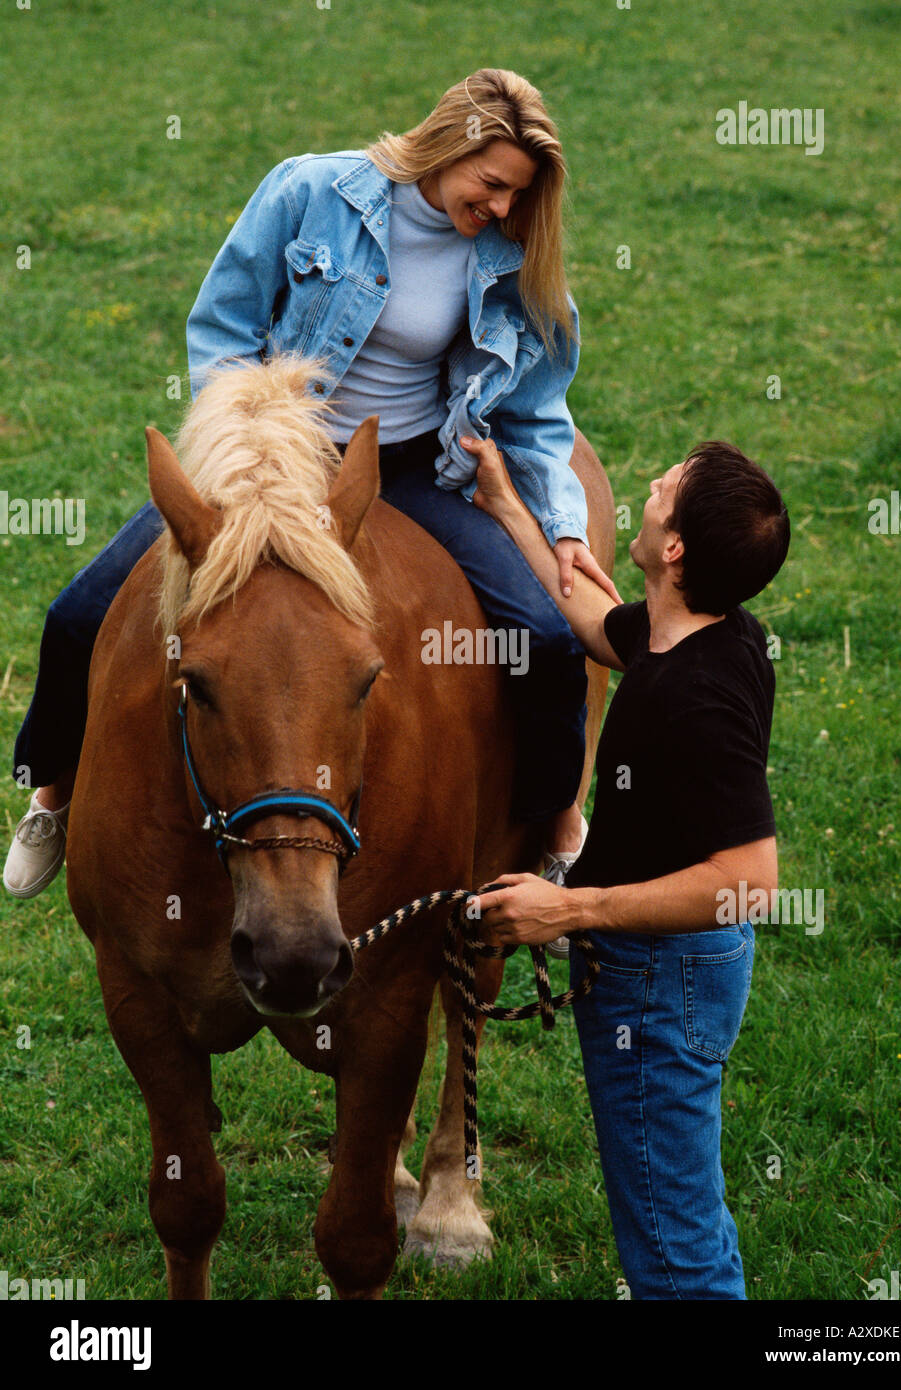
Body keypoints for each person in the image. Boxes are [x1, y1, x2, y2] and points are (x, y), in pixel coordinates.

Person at [4, 68, 620, 900]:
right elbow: (222, 326)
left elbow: (542, 414)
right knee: (78, 614)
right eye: (494, 184)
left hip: (410, 471)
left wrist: (566, 528)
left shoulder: (509, 256)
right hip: (274, 468)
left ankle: (551, 819)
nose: (504, 208)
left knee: (543, 643)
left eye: (519, 195)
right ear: (450, 146)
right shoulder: (310, 190)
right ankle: (53, 794)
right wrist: (248, 452)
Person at [467, 433, 790, 1299]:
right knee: (676, 1216)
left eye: (667, 488)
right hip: (663, 975)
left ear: (675, 549)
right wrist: (505, 504)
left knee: (674, 1251)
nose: (650, 484)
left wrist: (570, 910)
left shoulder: (700, 696)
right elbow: (591, 622)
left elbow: (750, 881)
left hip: (661, 984)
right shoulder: (696, 633)